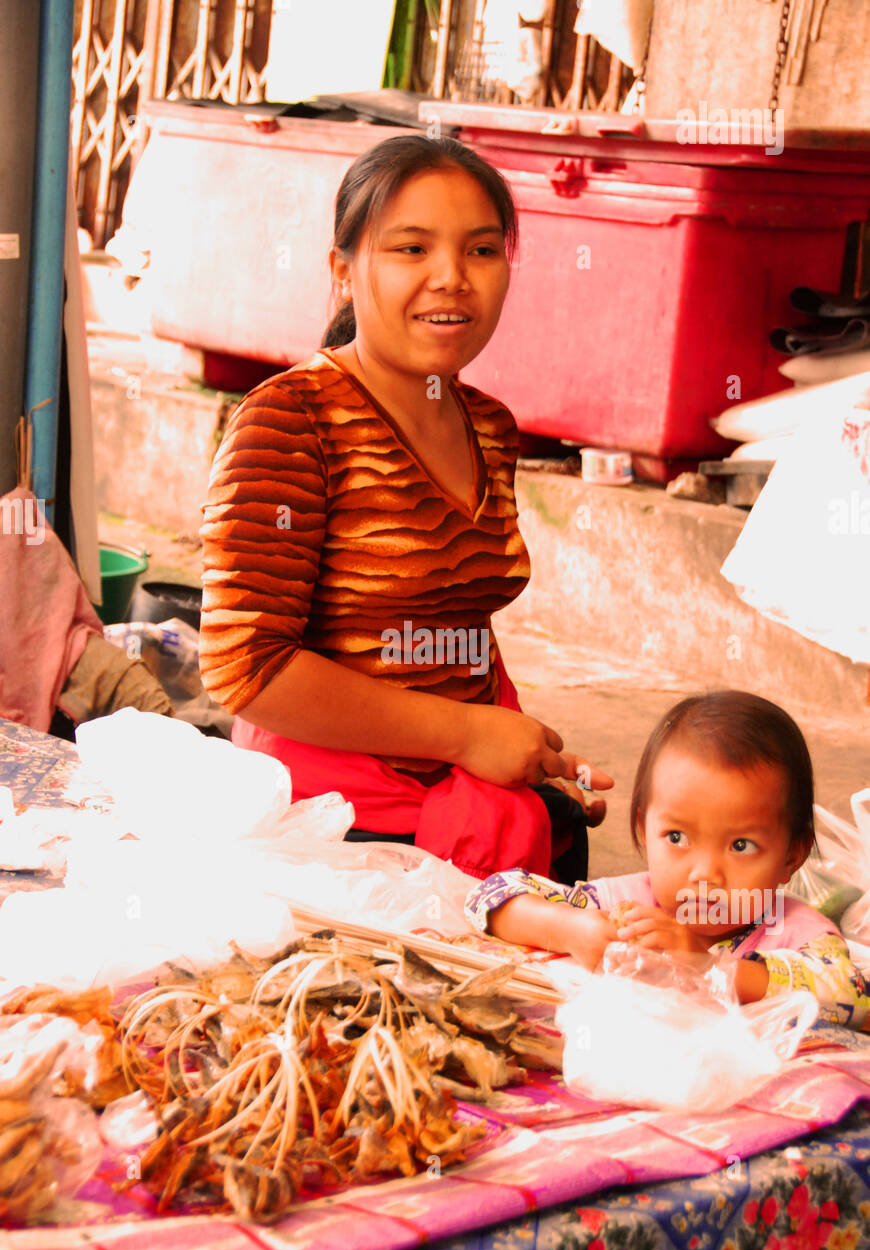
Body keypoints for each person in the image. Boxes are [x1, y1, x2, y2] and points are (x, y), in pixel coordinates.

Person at [199, 134, 612, 881]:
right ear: (345, 272)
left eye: (482, 251)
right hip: (329, 829)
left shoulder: (490, 425)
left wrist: (524, 749)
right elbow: (245, 667)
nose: (451, 278)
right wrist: (463, 734)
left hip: (455, 795)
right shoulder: (290, 422)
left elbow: (458, 619)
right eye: (411, 249)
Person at [465, 690, 870, 1028]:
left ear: (792, 855)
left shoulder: (793, 931)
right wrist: (570, 928)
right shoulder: (626, 907)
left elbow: (852, 995)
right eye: (677, 837)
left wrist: (703, 966)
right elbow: (489, 896)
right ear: (644, 831)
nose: (704, 873)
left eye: (741, 846)